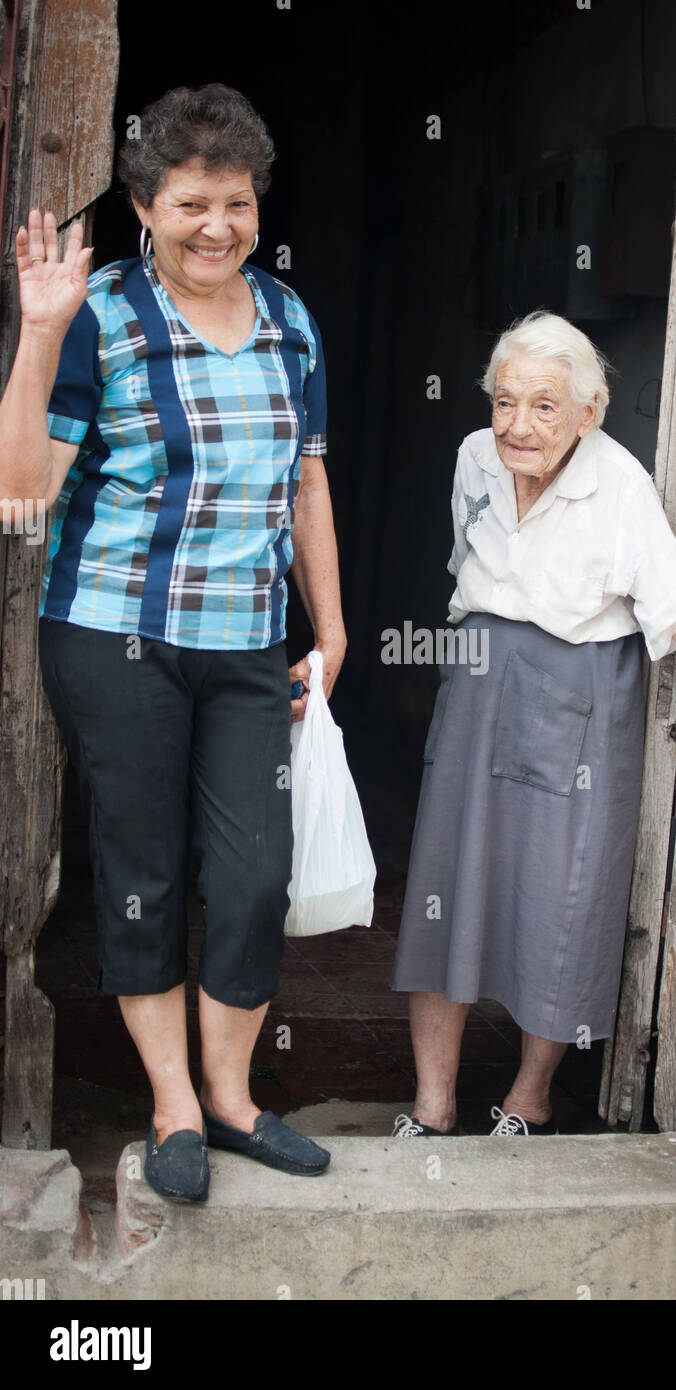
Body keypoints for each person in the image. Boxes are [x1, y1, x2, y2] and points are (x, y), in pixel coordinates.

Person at [0, 84, 347, 1201]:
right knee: (145, 873)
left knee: (252, 876)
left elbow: (307, 481)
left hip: (247, 644)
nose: (218, 226)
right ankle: (174, 1107)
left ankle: (239, 1100)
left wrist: (331, 628)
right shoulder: (99, 313)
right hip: (116, 637)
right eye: (193, 202)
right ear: (145, 205)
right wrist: (41, 333)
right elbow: (18, 494)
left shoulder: (291, 320)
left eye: (237, 203)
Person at [389, 310, 676, 1139]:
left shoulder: (620, 485)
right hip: (481, 684)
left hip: (581, 693)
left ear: (588, 412)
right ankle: (432, 1106)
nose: (518, 425)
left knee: (563, 895)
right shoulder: (474, 459)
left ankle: (527, 1100)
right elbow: (466, 562)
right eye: (505, 402)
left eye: (544, 407)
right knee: (446, 887)